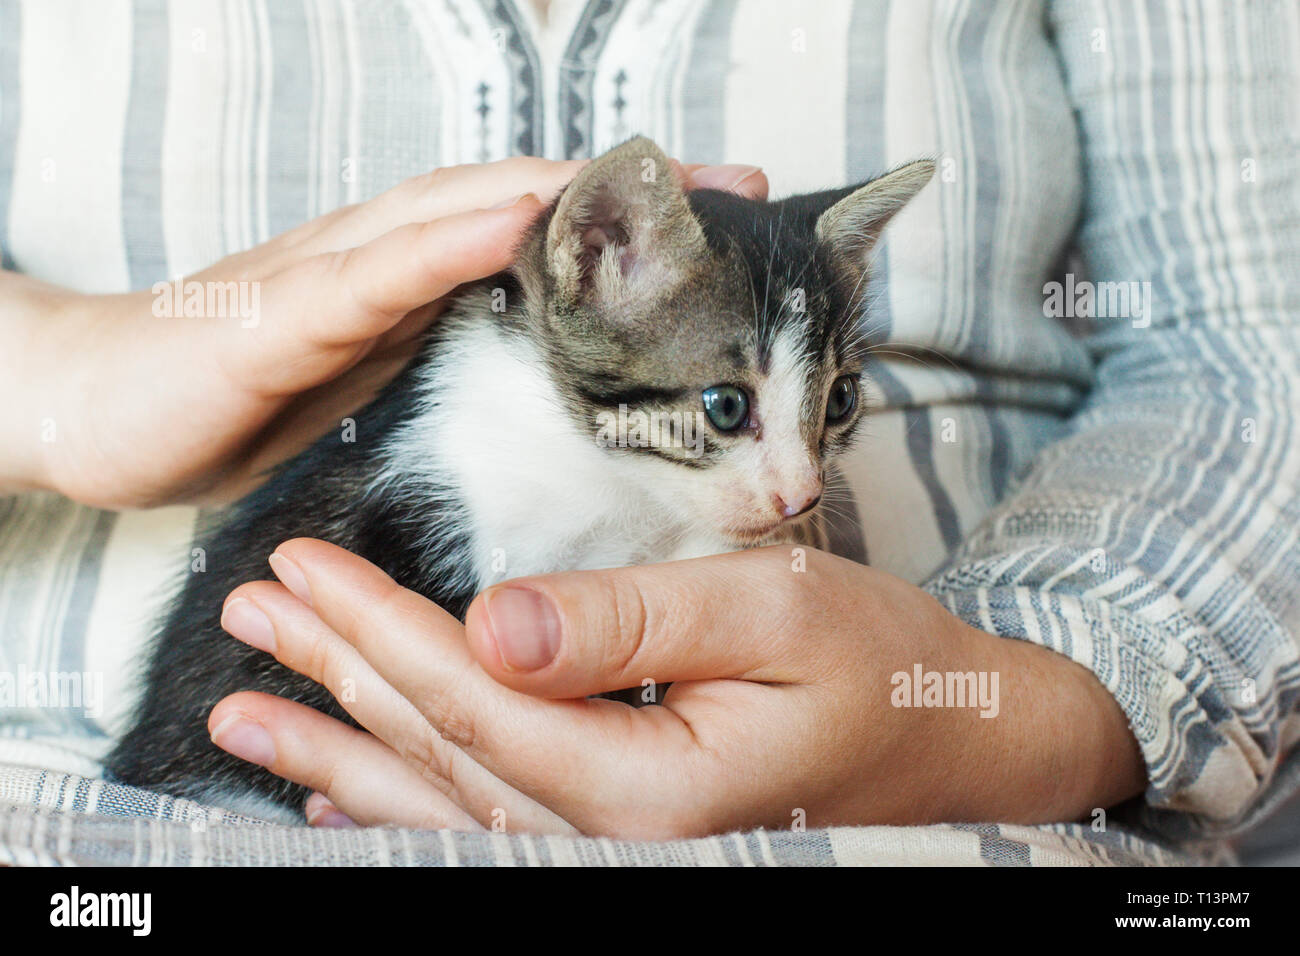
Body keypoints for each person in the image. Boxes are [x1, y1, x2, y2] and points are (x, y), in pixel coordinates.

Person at [0, 0, 1295, 856]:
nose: (798, 490)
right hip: (141, 810)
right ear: (596, 254)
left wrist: (1006, 710)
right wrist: (54, 372)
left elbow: (1251, 345)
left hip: (939, 812)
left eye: (832, 410)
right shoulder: (497, 414)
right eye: (730, 413)